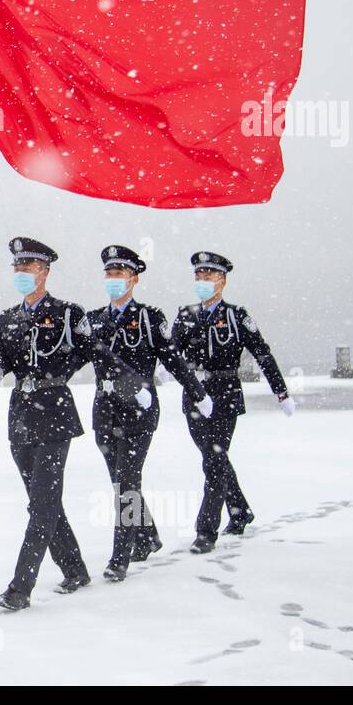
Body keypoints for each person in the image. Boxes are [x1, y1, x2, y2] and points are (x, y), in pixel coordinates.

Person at [0, 237, 150, 611]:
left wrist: (131, 385)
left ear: (44, 271)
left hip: (55, 412)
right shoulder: (8, 317)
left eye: (28, 268)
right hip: (21, 414)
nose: (21, 274)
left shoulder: (68, 314)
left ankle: (20, 586)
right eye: (17, 268)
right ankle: (74, 568)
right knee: (42, 501)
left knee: (41, 504)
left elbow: (100, 355)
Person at [87, 245, 212, 582]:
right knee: (120, 481)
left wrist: (198, 393)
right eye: (109, 273)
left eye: (120, 273)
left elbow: (173, 360)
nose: (113, 279)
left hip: (138, 412)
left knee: (127, 483)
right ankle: (146, 536)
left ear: (134, 278)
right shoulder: (93, 320)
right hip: (105, 411)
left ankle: (120, 556)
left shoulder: (149, 318)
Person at [171, 251, 296, 554]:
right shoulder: (186, 314)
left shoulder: (237, 316)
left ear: (223, 281)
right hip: (196, 396)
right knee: (213, 459)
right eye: (198, 276)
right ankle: (239, 509)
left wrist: (281, 392)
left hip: (225, 394)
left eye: (209, 276)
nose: (202, 281)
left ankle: (205, 530)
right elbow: (171, 352)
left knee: (215, 461)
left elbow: (262, 354)